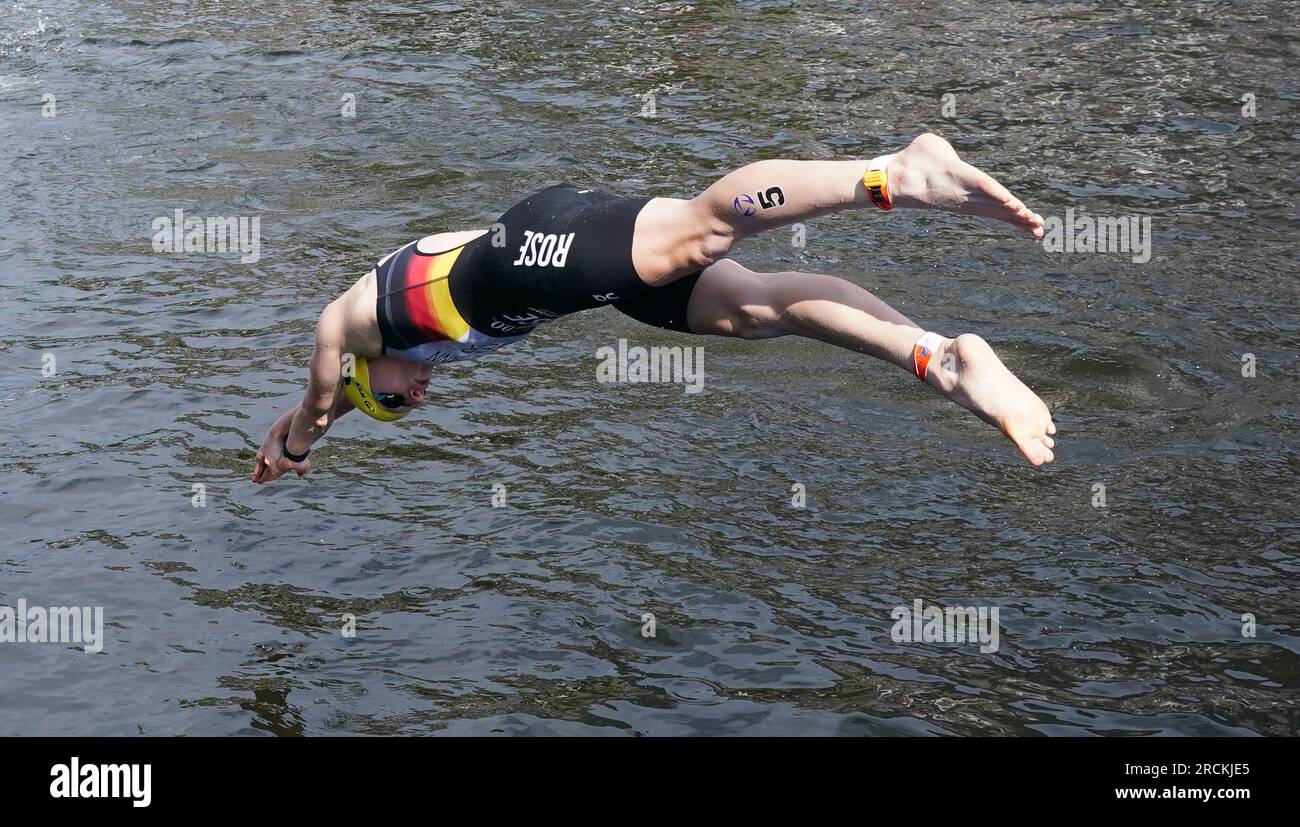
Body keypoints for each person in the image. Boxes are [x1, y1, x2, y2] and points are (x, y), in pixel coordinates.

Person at [253, 133, 1056, 484]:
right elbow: (342, 397)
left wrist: (292, 444)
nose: (413, 397)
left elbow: (326, 381)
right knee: (760, 310)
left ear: (364, 375)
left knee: (704, 229)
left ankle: (892, 175)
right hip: (572, 279)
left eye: (393, 399)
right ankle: (941, 359)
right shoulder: (399, 355)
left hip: (538, 246)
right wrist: (311, 418)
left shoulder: (361, 325)